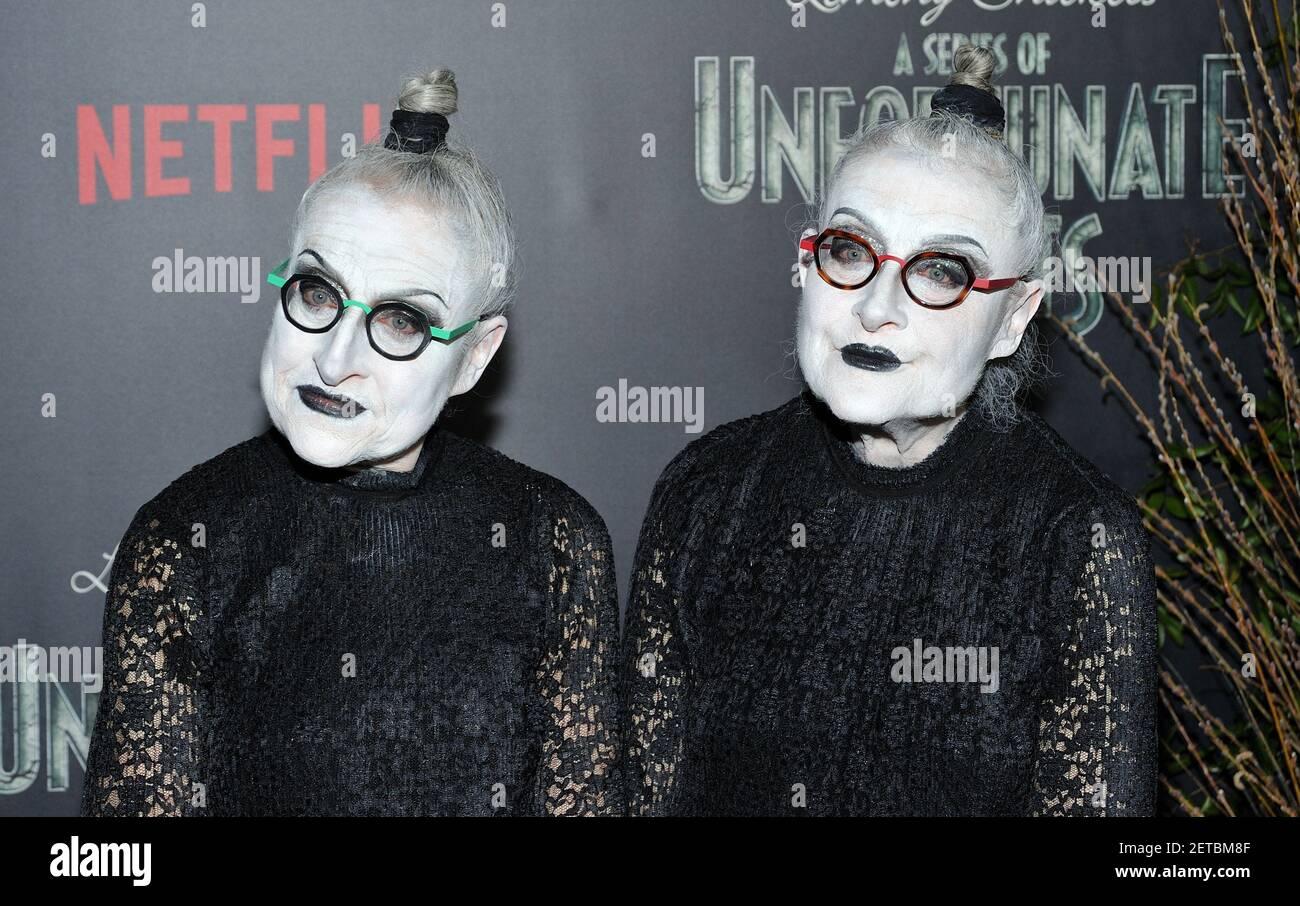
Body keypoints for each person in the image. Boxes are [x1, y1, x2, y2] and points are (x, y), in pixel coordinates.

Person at [620, 44, 1157, 816]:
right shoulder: (706, 492)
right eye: (850, 250)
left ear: (1012, 320)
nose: (876, 308)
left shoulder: (1074, 539)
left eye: (942, 272)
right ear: (806, 267)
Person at [81, 67, 622, 816]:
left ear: (474, 355)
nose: (334, 359)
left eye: (400, 322)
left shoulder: (552, 541)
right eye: (317, 292)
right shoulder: (186, 540)